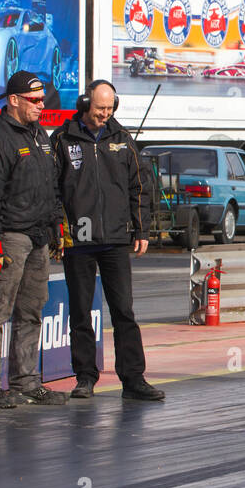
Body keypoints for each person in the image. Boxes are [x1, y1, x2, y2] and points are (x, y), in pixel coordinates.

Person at [51, 79, 165, 402]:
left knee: (124, 311)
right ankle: (85, 377)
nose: (105, 114)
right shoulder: (62, 139)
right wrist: (58, 231)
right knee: (81, 312)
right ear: (84, 104)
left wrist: (140, 229)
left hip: (116, 239)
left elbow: (140, 186)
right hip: (78, 240)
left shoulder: (122, 138)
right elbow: (52, 191)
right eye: (100, 108)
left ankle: (134, 379)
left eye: (110, 108)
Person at [0, 72, 67, 408]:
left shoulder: (39, 134)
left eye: (43, 100)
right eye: (35, 100)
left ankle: (25, 381)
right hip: (9, 237)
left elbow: (52, 184)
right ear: (14, 100)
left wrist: (57, 224)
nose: (42, 106)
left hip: (38, 236)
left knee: (31, 311)